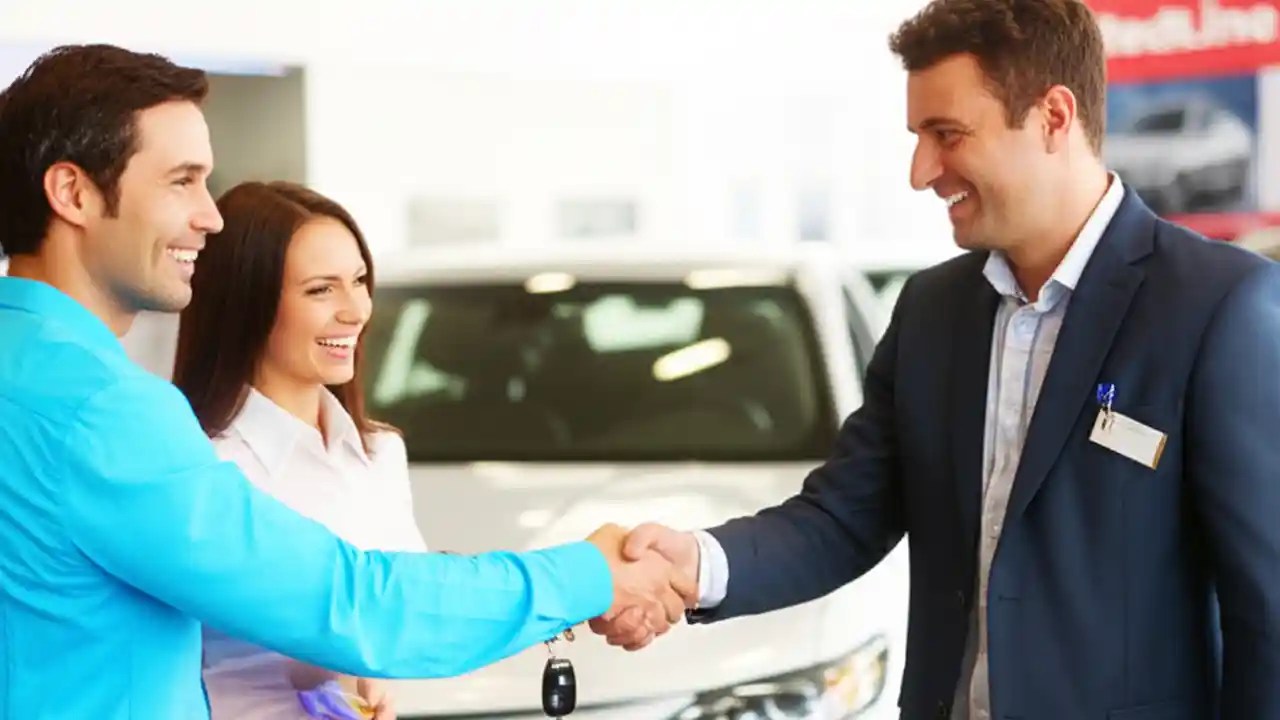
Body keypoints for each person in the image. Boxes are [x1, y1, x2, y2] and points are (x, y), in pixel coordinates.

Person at [590, 1, 1280, 718]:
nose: (922, 172)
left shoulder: (1214, 309)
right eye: (919, 136)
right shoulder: (933, 310)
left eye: (947, 135)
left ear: (1053, 117)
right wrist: (691, 564)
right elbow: (842, 518)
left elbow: (1269, 609)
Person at [0, 44, 693, 719]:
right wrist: (589, 572)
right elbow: (350, 604)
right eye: (182, 180)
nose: (209, 215)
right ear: (73, 193)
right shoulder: (99, 411)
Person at [170, 181, 420, 718]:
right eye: (320, 290)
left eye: (358, 281)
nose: (355, 310)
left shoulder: (380, 455)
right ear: (248, 303)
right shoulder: (202, 466)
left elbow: (410, 611)